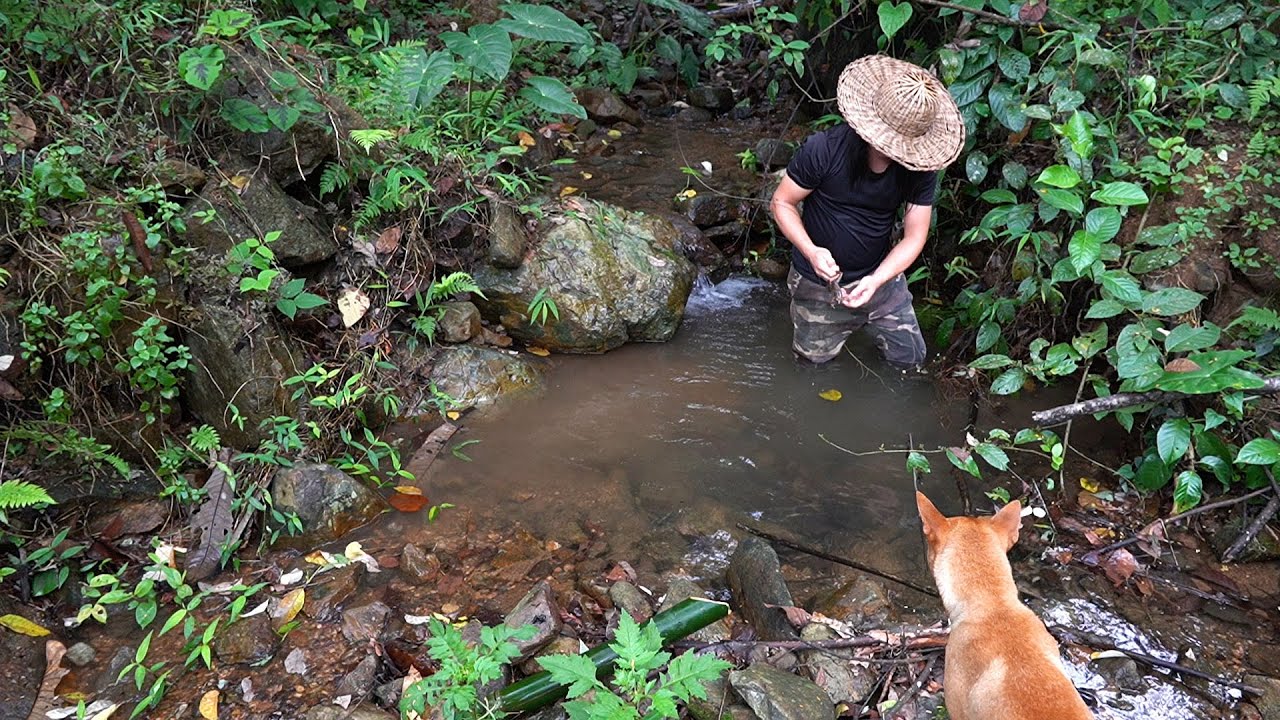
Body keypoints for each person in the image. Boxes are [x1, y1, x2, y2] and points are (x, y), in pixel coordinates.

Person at [769, 55, 965, 374]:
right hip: (818, 280)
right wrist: (812, 251)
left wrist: (876, 280)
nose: (895, 153)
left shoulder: (918, 166)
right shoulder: (824, 149)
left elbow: (915, 235)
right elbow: (782, 203)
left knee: (910, 360)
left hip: (879, 276)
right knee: (811, 370)